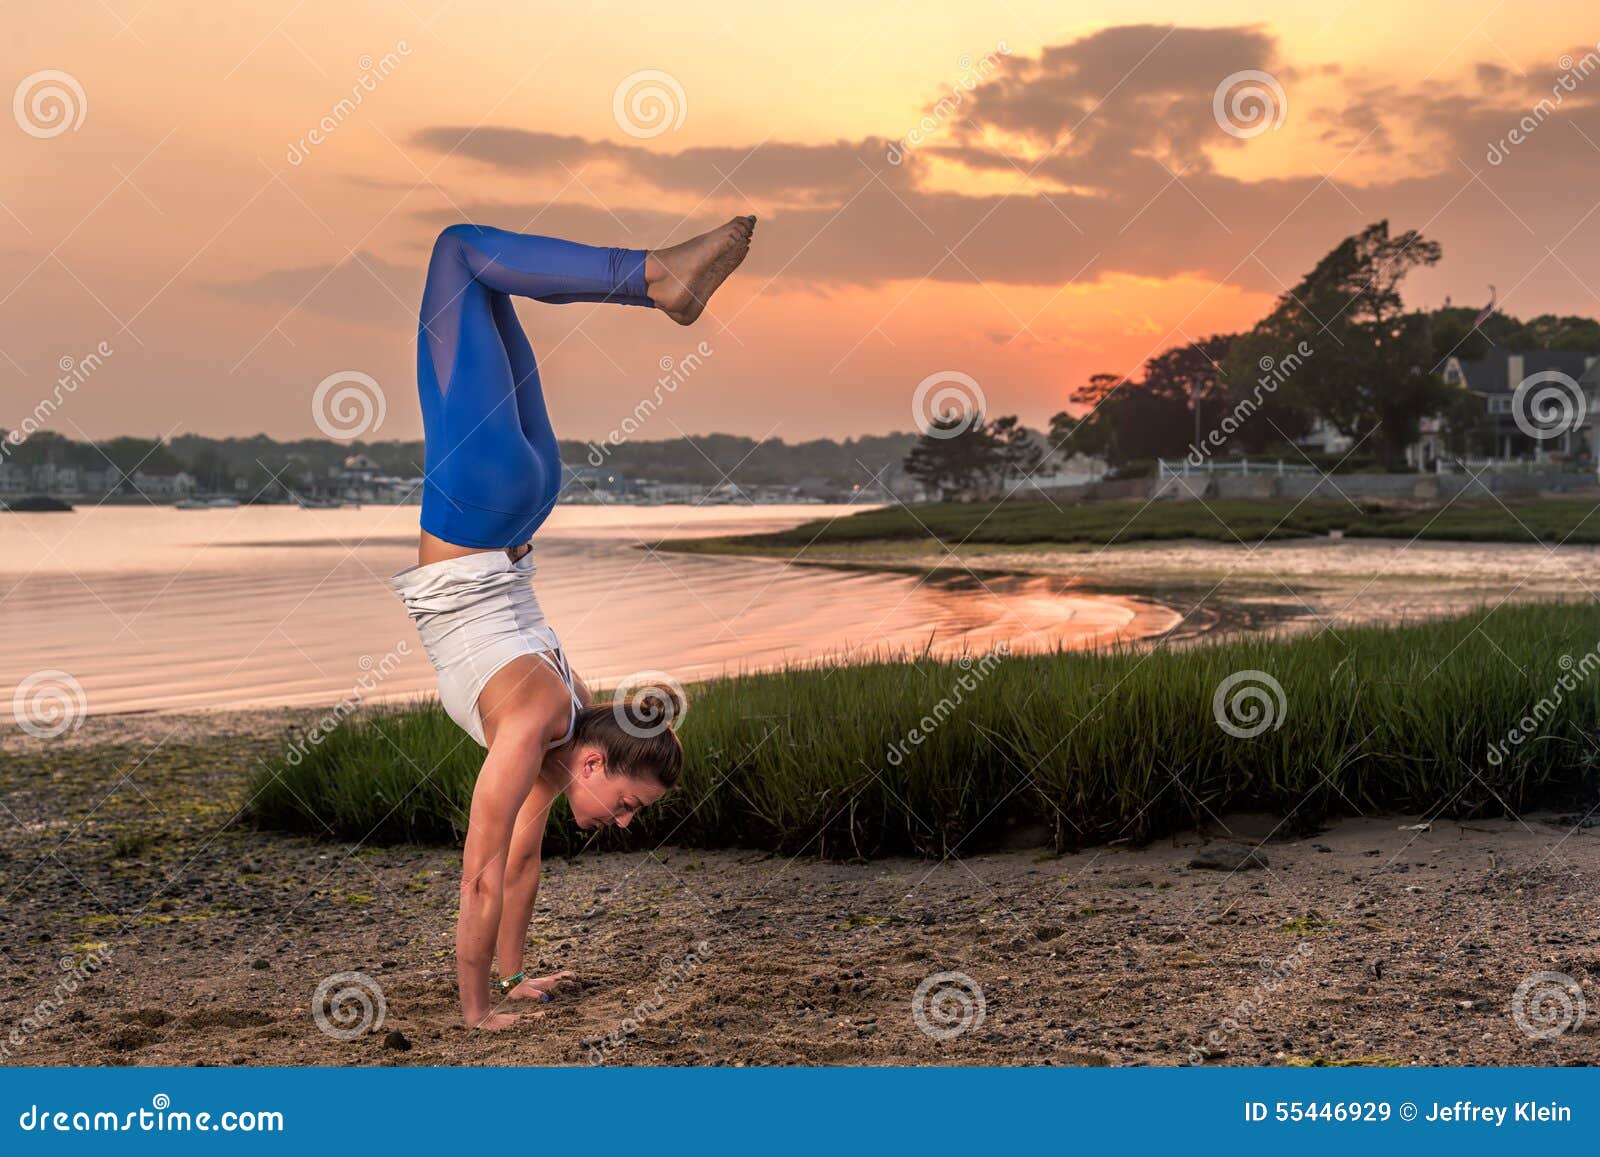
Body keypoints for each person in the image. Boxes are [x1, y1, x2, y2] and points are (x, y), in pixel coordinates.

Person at [387, 215, 756, 1030]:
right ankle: (655, 277)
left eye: (629, 813)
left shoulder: (562, 716)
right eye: (627, 802)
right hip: (481, 504)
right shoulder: (536, 721)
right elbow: (479, 876)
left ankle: (653, 277)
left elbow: (517, 866)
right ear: (592, 758)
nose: (621, 822)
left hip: (523, 496)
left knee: (475, 272)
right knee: (455, 251)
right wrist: (477, 1011)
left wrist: (513, 978)